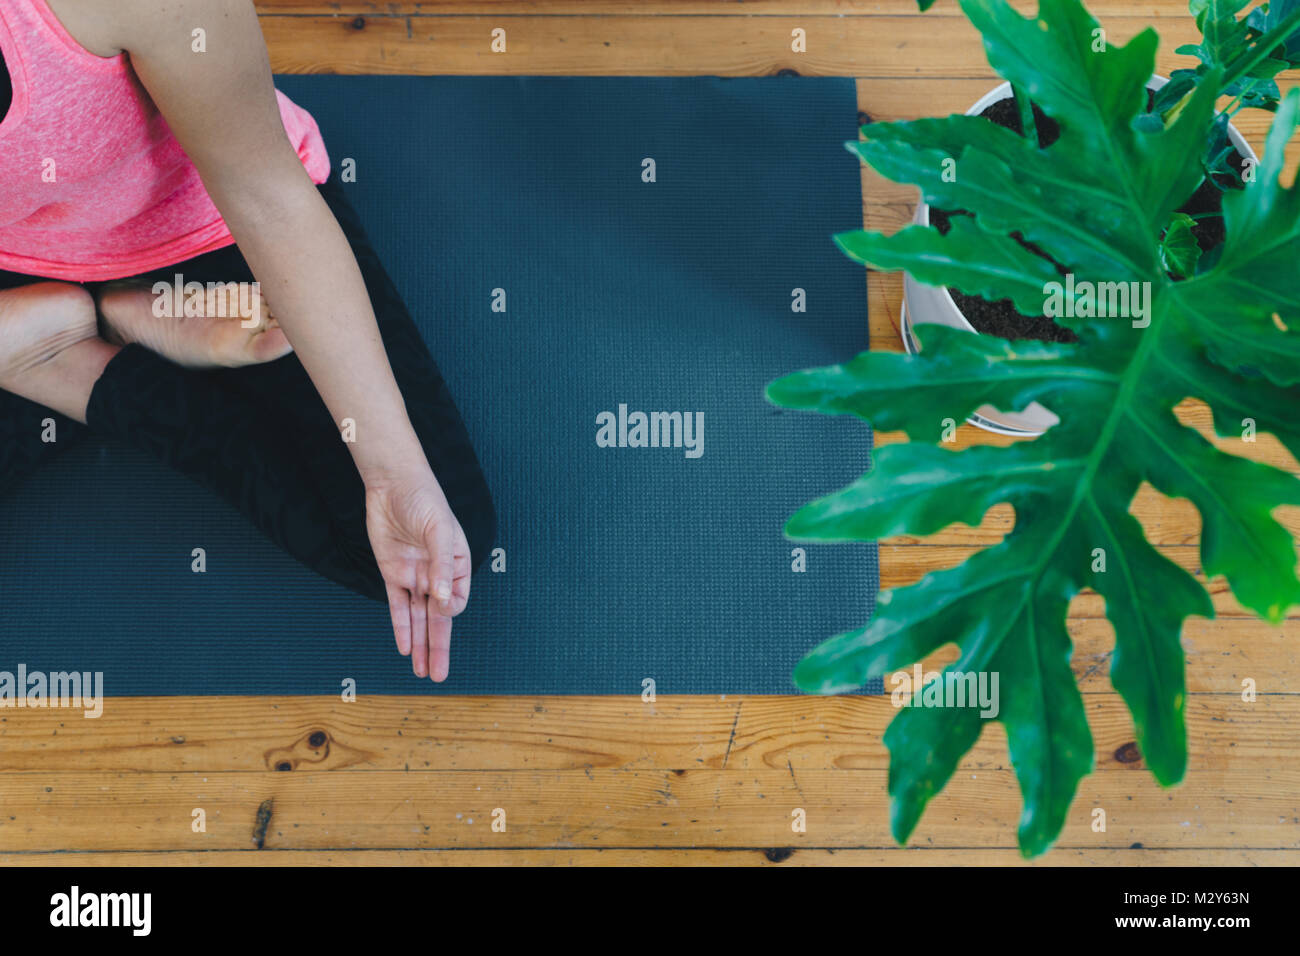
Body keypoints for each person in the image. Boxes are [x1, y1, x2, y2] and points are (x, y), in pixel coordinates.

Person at [0, 0, 496, 682]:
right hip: (16, 268)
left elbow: (268, 194)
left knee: (417, 544)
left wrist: (392, 474)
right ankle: (65, 343)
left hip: (201, 222)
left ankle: (106, 324)